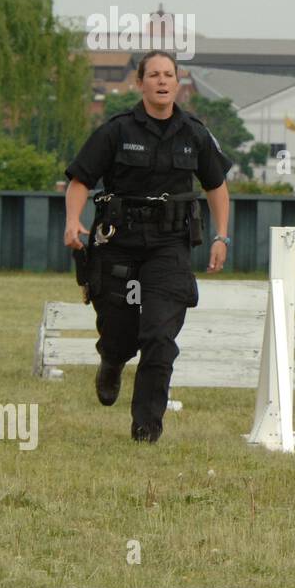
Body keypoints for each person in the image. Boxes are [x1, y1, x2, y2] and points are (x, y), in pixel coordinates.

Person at [62, 49, 233, 443]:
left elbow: (216, 186)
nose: (161, 81)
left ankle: (146, 427)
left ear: (177, 83)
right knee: (120, 331)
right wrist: (74, 220)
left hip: (169, 246)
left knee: (159, 336)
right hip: (118, 243)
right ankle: (112, 359)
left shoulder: (195, 132)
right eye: (153, 75)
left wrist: (221, 236)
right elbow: (80, 181)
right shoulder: (117, 131)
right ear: (139, 83)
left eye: (168, 75)